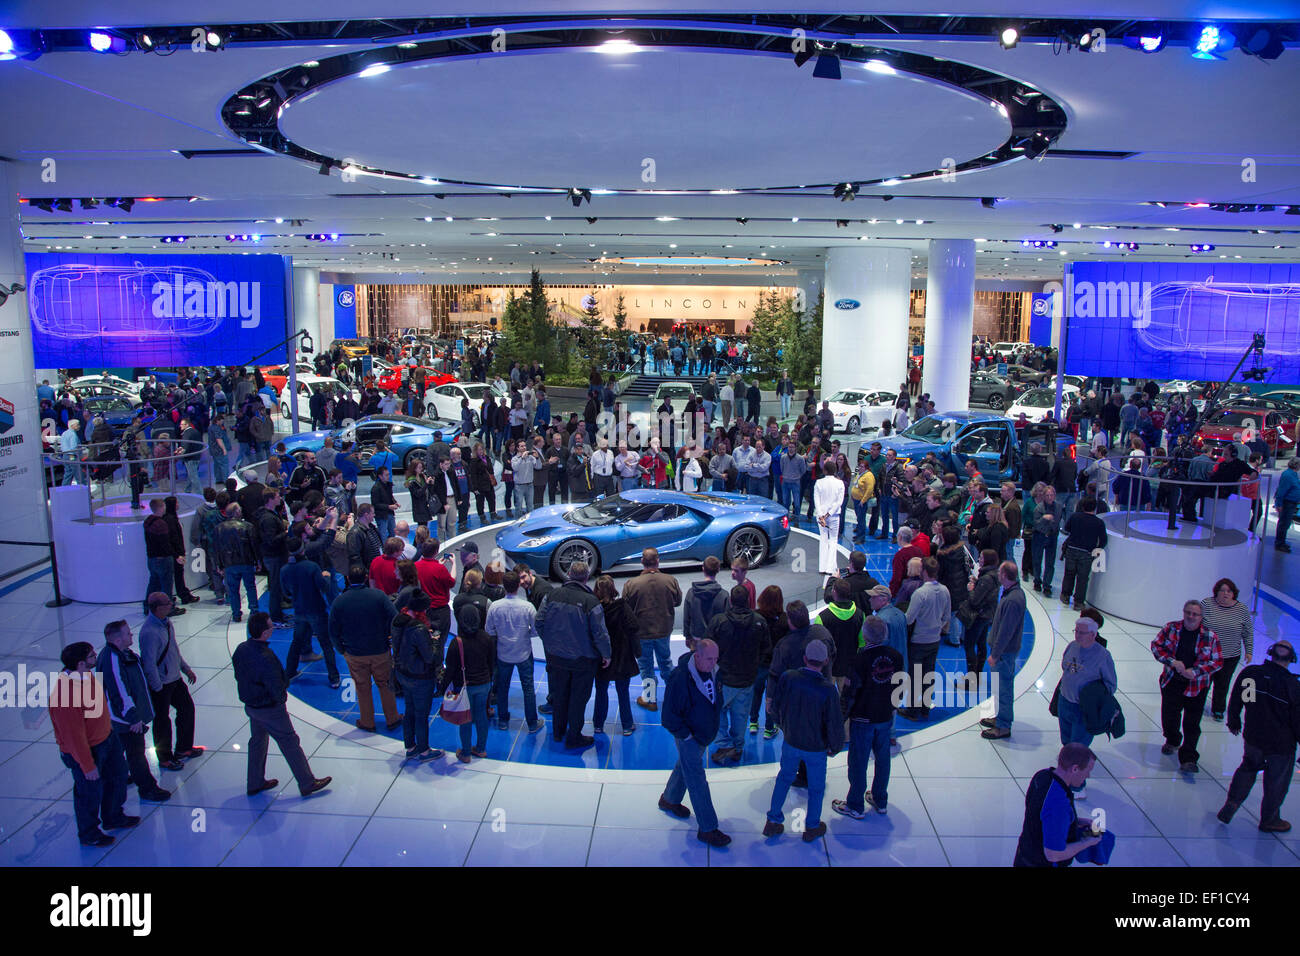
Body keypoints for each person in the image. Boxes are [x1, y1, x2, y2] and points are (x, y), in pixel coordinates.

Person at [232, 611, 333, 797]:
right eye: (270, 627)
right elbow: (277, 686)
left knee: (257, 742)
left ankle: (254, 781)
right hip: (269, 708)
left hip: (251, 706)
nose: (272, 629)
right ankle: (307, 782)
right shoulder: (266, 657)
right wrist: (281, 699)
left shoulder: (241, 649)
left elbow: (239, 675)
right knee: (290, 742)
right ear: (264, 633)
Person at [50, 642, 136, 847]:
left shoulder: (86, 675)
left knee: (118, 776)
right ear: (80, 663)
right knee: (89, 793)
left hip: (107, 739)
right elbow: (73, 736)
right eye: (91, 656)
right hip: (88, 751)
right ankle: (89, 833)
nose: (95, 656)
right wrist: (87, 766)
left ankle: (113, 815)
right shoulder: (66, 695)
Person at [763, 639, 843, 842]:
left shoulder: (788, 677)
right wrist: (835, 746)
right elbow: (834, 722)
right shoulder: (827, 689)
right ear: (825, 661)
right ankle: (812, 826)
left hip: (790, 742)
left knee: (784, 779)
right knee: (816, 788)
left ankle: (773, 820)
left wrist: (783, 726)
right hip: (816, 748)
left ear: (805, 658)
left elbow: (776, 706)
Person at [1218, 640, 1300, 832]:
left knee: (1247, 768)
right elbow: (1297, 721)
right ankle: (1270, 819)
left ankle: (1232, 802)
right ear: (1292, 659)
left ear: (1270, 653)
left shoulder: (1251, 674)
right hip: (1281, 744)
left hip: (1253, 735)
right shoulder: (1292, 686)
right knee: (1276, 781)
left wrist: (1234, 720)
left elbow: (1238, 698)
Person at [658, 638, 729, 847]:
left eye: (716, 658)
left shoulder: (714, 671)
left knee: (684, 767)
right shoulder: (679, 678)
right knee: (697, 780)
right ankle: (708, 828)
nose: (713, 663)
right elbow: (669, 717)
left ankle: (669, 799)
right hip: (689, 736)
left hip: (702, 734)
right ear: (697, 656)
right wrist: (686, 735)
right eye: (709, 659)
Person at [833, 616, 905, 818]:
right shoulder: (896, 656)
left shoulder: (859, 660)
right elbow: (899, 686)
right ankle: (880, 799)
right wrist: (892, 708)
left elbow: (850, 692)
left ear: (865, 635)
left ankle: (855, 805)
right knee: (883, 758)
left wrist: (841, 718)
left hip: (863, 718)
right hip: (884, 717)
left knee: (858, 761)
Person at [536, 561, 611, 750]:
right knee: (578, 699)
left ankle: (558, 732)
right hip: (583, 661)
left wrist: (550, 642)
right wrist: (606, 654)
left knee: (559, 695)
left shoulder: (551, 595)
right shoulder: (591, 601)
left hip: (556, 657)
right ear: (586, 577)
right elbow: (600, 633)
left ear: (568, 574)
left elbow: (539, 622)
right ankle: (574, 737)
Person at [97, 620, 171, 804]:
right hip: (124, 721)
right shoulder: (112, 659)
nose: (131, 635)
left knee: (122, 752)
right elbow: (118, 691)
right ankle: (147, 788)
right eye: (127, 633)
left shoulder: (123, 654)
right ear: (118, 638)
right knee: (136, 754)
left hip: (124, 718)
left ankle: (117, 776)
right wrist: (133, 718)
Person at [1013, 743, 1115, 867]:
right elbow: (1053, 854)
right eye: (1088, 770)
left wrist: (1074, 821)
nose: (1088, 776)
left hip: (1024, 854)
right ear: (1075, 769)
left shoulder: (1042, 776)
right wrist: (1087, 842)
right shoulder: (1058, 803)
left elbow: (1039, 815)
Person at [1151, 600, 1223, 773]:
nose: (1191, 616)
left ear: (1201, 617)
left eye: (1195, 614)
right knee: (1169, 716)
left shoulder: (1210, 636)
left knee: (1192, 723)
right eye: (1188, 612)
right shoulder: (1171, 628)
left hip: (1197, 687)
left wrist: (1197, 671)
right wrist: (1172, 662)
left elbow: (1218, 661)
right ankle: (1173, 739)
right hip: (1172, 681)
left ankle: (1189, 758)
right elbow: (1156, 646)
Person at [329, 564, 400, 733]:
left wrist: (342, 650)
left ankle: (367, 721)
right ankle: (392, 718)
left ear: (347, 578)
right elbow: (395, 618)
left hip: (354, 653)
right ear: (366, 577)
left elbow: (333, 631)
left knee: (362, 687)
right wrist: (390, 638)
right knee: (385, 685)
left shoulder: (340, 601)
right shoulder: (378, 596)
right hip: (380, 650)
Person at [139, 592, 203, 771]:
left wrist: (185, 668)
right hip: (162, 683)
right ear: (157, 607)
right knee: (162, 721)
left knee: (187, 709)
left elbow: (173, 648)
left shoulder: (166, 624)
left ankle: (183, 748)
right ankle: (165, 757)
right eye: (168, 603)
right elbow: (149, 663)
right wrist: (158, 686)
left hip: (174, 677)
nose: (171, 604)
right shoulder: (149, 632)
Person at [707, 585, 770, 765]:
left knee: (717, 711)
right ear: (749, 600)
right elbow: (766, 649)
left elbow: (708, 646)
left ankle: (725, 744)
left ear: (731, 601)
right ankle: (738, 747)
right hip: (747, 679)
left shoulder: (719, 621)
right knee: (741, 716)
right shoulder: (759, 622)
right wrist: (754, 665)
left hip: (724, 678)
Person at [485, 570, 546, 735]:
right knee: (528, 688)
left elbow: (489, 630)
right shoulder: (528, 607)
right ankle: (532, 723)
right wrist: (523, 633)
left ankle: (503, 720)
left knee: (503, 688)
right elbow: (536, 631)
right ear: (518, 585)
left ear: (503, 586)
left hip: (503, 653)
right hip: (523, 653)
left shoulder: (495, 607)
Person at [623, 547, 682, 711]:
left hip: (641, 634)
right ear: (658, 561)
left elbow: (625, 609)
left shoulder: (632, 584)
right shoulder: (670, 580)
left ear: (642, 561)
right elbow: (677, 601)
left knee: (646, 667)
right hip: (664, 630)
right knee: (666, 663)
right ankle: (674, 697)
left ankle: (650, 699)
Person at [281, 536, 340, 689]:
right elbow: (324, 587)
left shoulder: (284, 570)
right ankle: (334, 678)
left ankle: (290, 672)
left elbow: (286, 591)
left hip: (299, 610)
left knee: (296, 642)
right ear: (302, 548)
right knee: (326, 644)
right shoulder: (311, 567)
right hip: (316, 609)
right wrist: (325, 577)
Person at [978, 561, 1026, 739]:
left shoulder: (1013, 600)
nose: (997, 574)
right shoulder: (1011, 593)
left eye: (999, 572)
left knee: (1003, 689)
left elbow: (1006, 631)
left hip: (1004, 654)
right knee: (999, 688)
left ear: (1005, 575)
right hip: (1003, 653)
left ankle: (1003, 726)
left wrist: (995, 655)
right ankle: (1000, 718)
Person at [900, 558, 950, 722]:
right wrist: (936, 626)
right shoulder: (944, 591)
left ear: (925, 572)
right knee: (928, 674)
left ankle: (913, 710)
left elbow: (909, 619)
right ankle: (925, 707)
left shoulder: (920, 594)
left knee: (915, 675)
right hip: (934, 640)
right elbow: (946, 616)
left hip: (918, 640)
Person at [445, 603, 495, 762]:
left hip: (464, 687)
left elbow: (450, 669)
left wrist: (442, 687)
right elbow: (491, 662)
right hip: (483, 684)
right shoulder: (486, 638)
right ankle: (481, 749)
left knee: (465, 718)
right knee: (481, 716)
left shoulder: (456, 642)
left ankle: (465, 753)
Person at [592, 574, 641, 736]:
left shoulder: (595, 609)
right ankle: (627, 725)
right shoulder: (622, 606)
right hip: (622, 656)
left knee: (601, 691)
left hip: (601, 658)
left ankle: (598, 725)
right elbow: (634, 626)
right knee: (623, 692)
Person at [1200, 578, 1254, 722]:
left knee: (1222, 684)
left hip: (1230, 655)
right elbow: (1197, 625)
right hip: (1208, 655)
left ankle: (1218, 709)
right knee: (1204, 681)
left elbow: (1247, 632)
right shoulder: (1206, 604)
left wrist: (1249, 651)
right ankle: (1197, 705)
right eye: (1222, 590)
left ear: (1234, 593)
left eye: (1228, 591)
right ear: (1216, 592)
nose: (1225, 594)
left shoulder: (1242, 609)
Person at [1058, 497, 1107, 611]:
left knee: (1069, 574)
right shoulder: (1099, 523)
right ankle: (1078, 602)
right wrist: (1097, 549)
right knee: (1083, 578)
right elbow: (1103, 540)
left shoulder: (1075, 517)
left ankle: (1065, 595)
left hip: (1071, 549)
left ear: (1082, 506)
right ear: (1095, 508)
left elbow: (1066, 528)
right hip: (1086, 553)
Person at [817, 579, 865, 692]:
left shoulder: (822, 617)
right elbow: (862, 643)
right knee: (845, 700)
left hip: (828, 667)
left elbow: (818, 645)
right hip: (848, 667)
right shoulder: (860, 615)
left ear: (833, 592)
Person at [214, 501, 259, 622]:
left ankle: (236, 614)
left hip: (229, 564)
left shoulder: (219, 528)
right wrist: (258, 561)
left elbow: (216, 548)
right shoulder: (248, 526)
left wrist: (219, 564)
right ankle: (254, 611)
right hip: (246, 562)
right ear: (237, 512)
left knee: (233, 590)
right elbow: (253, 546)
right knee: (250, 587)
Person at [683, 556, 725, 651]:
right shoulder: (724, 595)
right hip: (716, 640)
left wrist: (687, 636)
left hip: (696, 639)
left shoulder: (691, 593)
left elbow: (687, 616)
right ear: (718, 569)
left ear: (703, 569)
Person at [814, 458, 845, 579]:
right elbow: (839, 502)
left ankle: (822, 567)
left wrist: (822, 515)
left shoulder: (819, 482)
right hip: (834, 516)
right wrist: (829, 514)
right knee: (833, 540)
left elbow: (816, 500)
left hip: (821, 516)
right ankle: (830, 568)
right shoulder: (840, 483)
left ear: (825, 470)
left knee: (823, 539)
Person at [1273, 457, 1300, 552]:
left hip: (1291, 503)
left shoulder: (1293, 474)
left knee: (1286, 523)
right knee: (1283, 523)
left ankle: (1282, 541)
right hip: (1287, 503)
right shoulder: (1288, 475)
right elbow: (1281, 491)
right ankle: (1279, 543)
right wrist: (1279, 504)